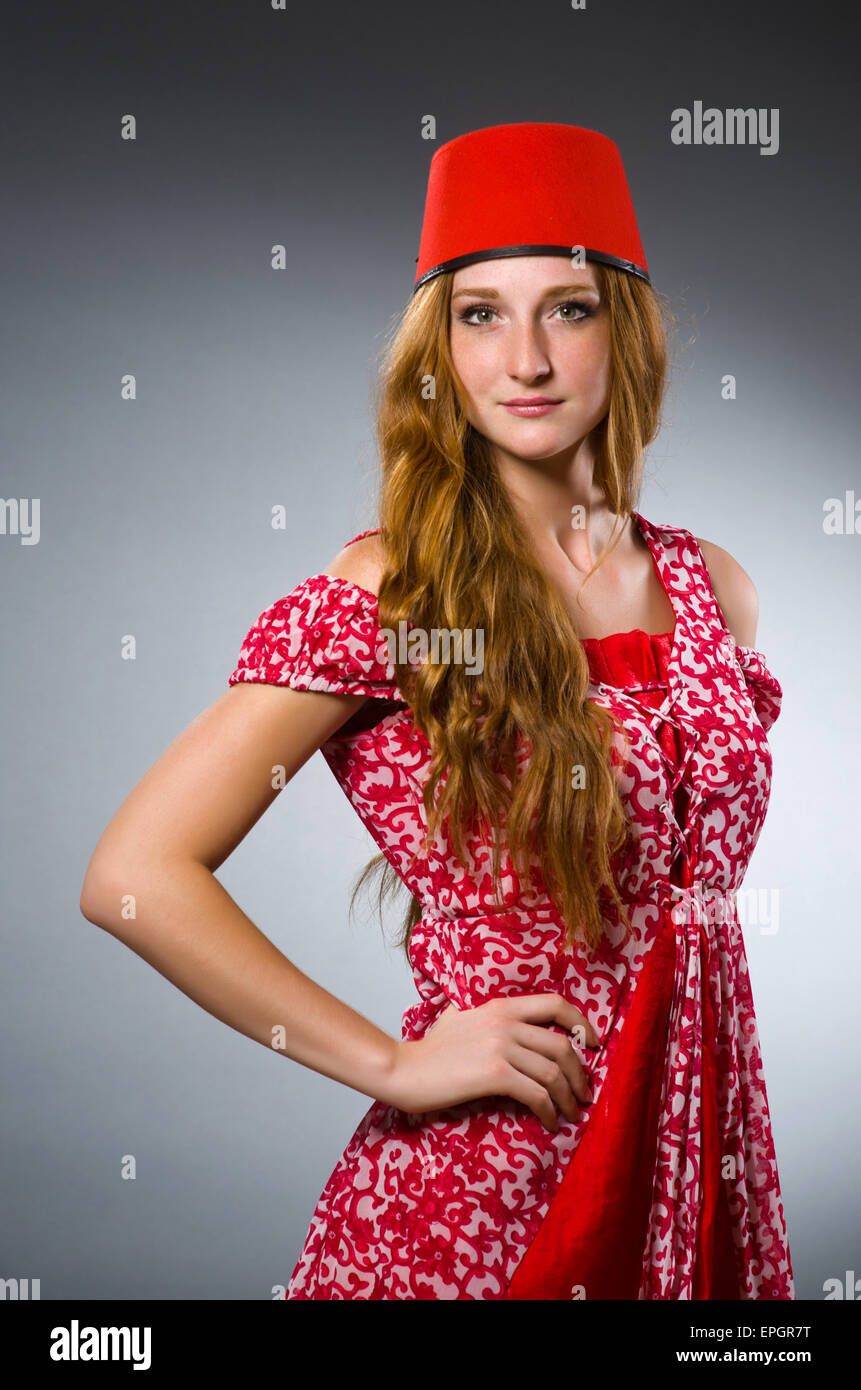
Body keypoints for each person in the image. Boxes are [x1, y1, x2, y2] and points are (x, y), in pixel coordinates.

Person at [80, 122, 794, 1300]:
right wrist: (394, 1063)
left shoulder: (717, 589)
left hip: (701, 1155)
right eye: (479, 314)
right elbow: (134, 872)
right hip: (492, 1184)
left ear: (627, 331)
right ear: (438, 347)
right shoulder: (389, 597)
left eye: (567, 308)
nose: (525, 358)